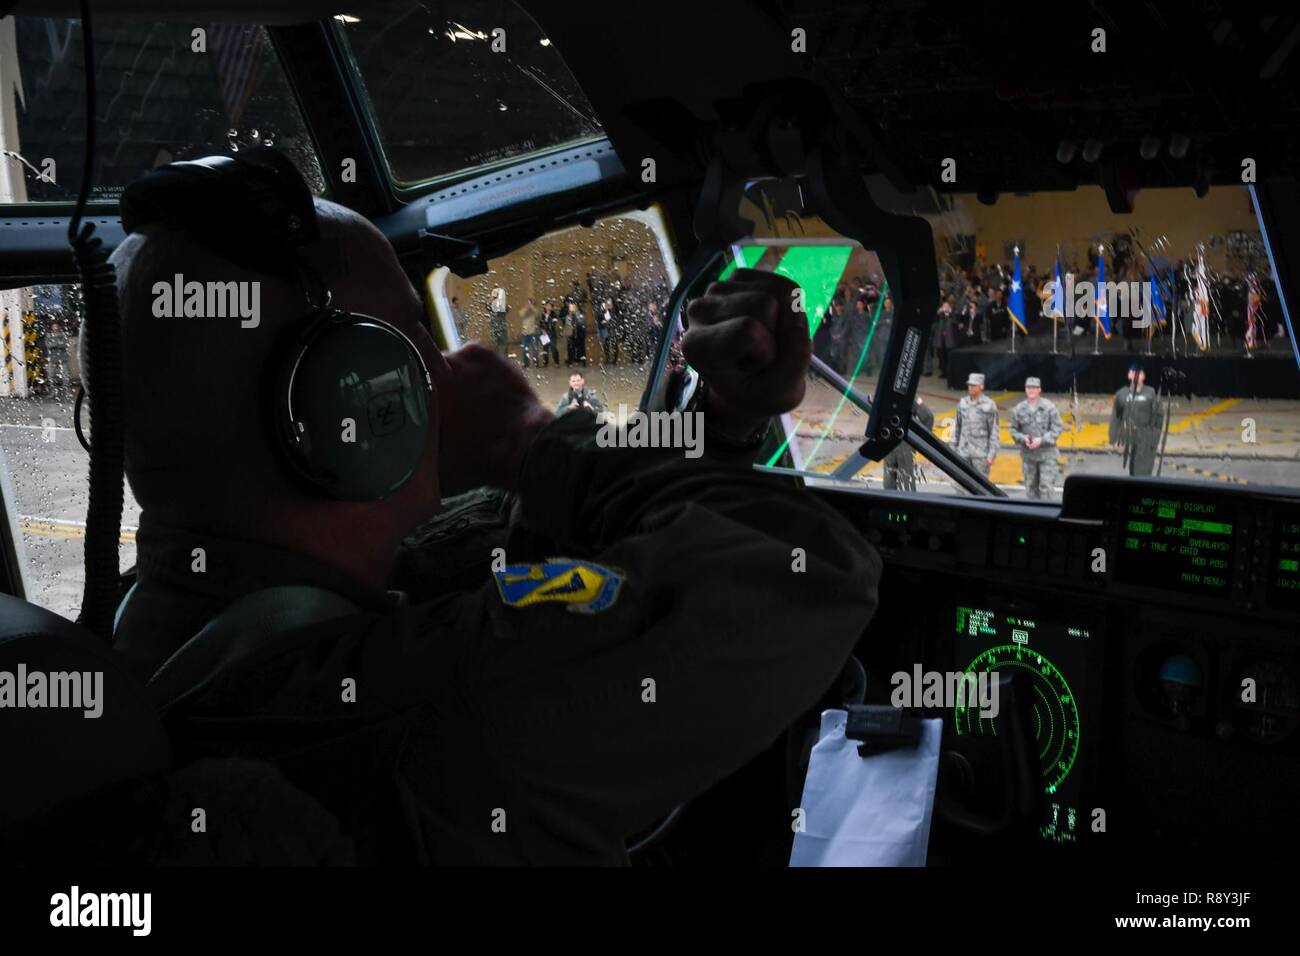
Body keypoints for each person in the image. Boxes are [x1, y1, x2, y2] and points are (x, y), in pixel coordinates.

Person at [105, 163, 880, 865]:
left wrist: (718, 426)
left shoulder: (177, 632)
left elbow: (508, 576)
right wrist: (530, 441)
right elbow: (799, 569)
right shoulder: (428, 713)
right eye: (415, 336)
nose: (454, 365)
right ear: (358, 396)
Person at [1008, 376, 1063, 500]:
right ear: (1025, 389)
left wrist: (1041, 440)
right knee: (1031, 489)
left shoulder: (1049, 407)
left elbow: (1057, 428)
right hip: (1029, 457)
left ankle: (1047, 517)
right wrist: (1023, 438)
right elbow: (1013, 430)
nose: (1031, 390)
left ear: (1039, 390)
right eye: (1029, 387)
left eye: (1034, 388)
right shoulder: (1019, 409)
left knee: (1046, 489)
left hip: (1047, 455)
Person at [1109, 364, 1164, 476]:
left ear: (1143, 376)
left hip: (1145, 436)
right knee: (1133, 469)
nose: (1136, 375)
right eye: (1133, 372)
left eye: (1139, 373)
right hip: (1129, 434)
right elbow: (1116, 417)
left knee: (1142, 470)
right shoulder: (1122, 394)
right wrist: (1114, 439)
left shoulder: (1151, 393)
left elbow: (1159, 415)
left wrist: (1154, 436)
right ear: (1129, 375)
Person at [882, 395, 934, 491]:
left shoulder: (888, 395)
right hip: (898, 443)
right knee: (897, 482)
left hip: (894, 443)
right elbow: (928, 416)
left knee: (897, 482)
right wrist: (920, 440)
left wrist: (919, 440)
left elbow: (928, 417)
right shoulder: (910, 397)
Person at [952, 371, 999, 477]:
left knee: (980, 486)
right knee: (961, 484)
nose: (970, 387)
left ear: (981, 386)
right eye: (969, 385)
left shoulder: (989, 405)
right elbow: (957, 427)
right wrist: (953, 449)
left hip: (981, 455)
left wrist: (992, 454)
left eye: (974, 385)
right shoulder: (962, 403)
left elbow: (994, 431)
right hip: (963, 453)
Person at [44, 321, 70, 387]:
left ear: (59, 327)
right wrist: (57, 343)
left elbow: (65, 344)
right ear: (52, 327)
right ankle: (52, 385)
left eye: (56, 326)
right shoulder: (49, 335)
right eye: (54, 326)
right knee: (51, 372)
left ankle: (65, 384)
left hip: (63, 357)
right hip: (53, 357)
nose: (55, 328)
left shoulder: (63, 335)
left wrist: (54, 344)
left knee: (65, 372)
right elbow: (48, 345)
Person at [596, 297, 620, 366]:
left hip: (613, 328)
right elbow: (599, 318)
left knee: (614, 344)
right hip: (606, 329)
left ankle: (614, 359)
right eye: (607, 302)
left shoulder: (615, 310)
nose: (608, 304)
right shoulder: (603, 309)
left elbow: (617, 318)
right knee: (606, 343)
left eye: (610, 302)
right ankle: (607, 357)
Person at [564, 300, 588, 367]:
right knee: (570, 348)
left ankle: (582, 361)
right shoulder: (568, 316)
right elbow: (567, 324)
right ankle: (570, 361)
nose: (572, 308)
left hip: (580, 334)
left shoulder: (580, 314)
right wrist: (570, 315)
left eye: (574, 306)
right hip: (571, 334)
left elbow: (582, 323)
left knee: (581, 348)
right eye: (571, 307)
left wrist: (576, 314)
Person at [518, 297, 540, 369]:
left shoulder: (535, 310)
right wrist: (527, 308)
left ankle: (536, 363)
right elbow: (521, 314)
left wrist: (532, 307)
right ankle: (526, 363)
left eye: (531, 302)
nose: (529, 304)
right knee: (525, 349)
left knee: (535, 349)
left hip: (534, 332)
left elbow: (538, 314)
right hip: (525, 333)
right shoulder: (524, 310)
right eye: (529, 302)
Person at [539, 302, 560, 368]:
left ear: (551, 307)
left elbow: (553, 323)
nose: (548, 307)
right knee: (545, 349)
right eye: (547, 305)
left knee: (553, 348)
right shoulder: (543, 314)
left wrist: (548, 318)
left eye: (549, 306)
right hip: (545, 334)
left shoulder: (554, 314)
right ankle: (545, 363)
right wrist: (542, 329)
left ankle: (556, 362)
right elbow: (541, 323)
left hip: (552, 334)